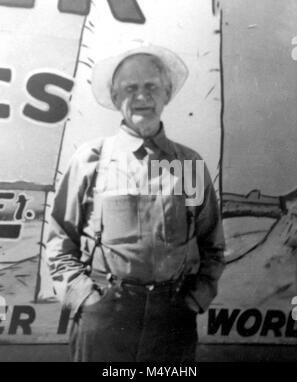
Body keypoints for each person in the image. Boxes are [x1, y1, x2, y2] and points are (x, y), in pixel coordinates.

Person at [46, 41, 225, 362]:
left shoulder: (189, 164)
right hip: (104, 316)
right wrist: (85, 298)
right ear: (116, 98)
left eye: (151, 86)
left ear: (167, 94)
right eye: (130, 88)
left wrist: (196, 300)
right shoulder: (91, 160)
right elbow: (61, 242)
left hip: (172, 319)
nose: (141, 97)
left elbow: (212, 244)